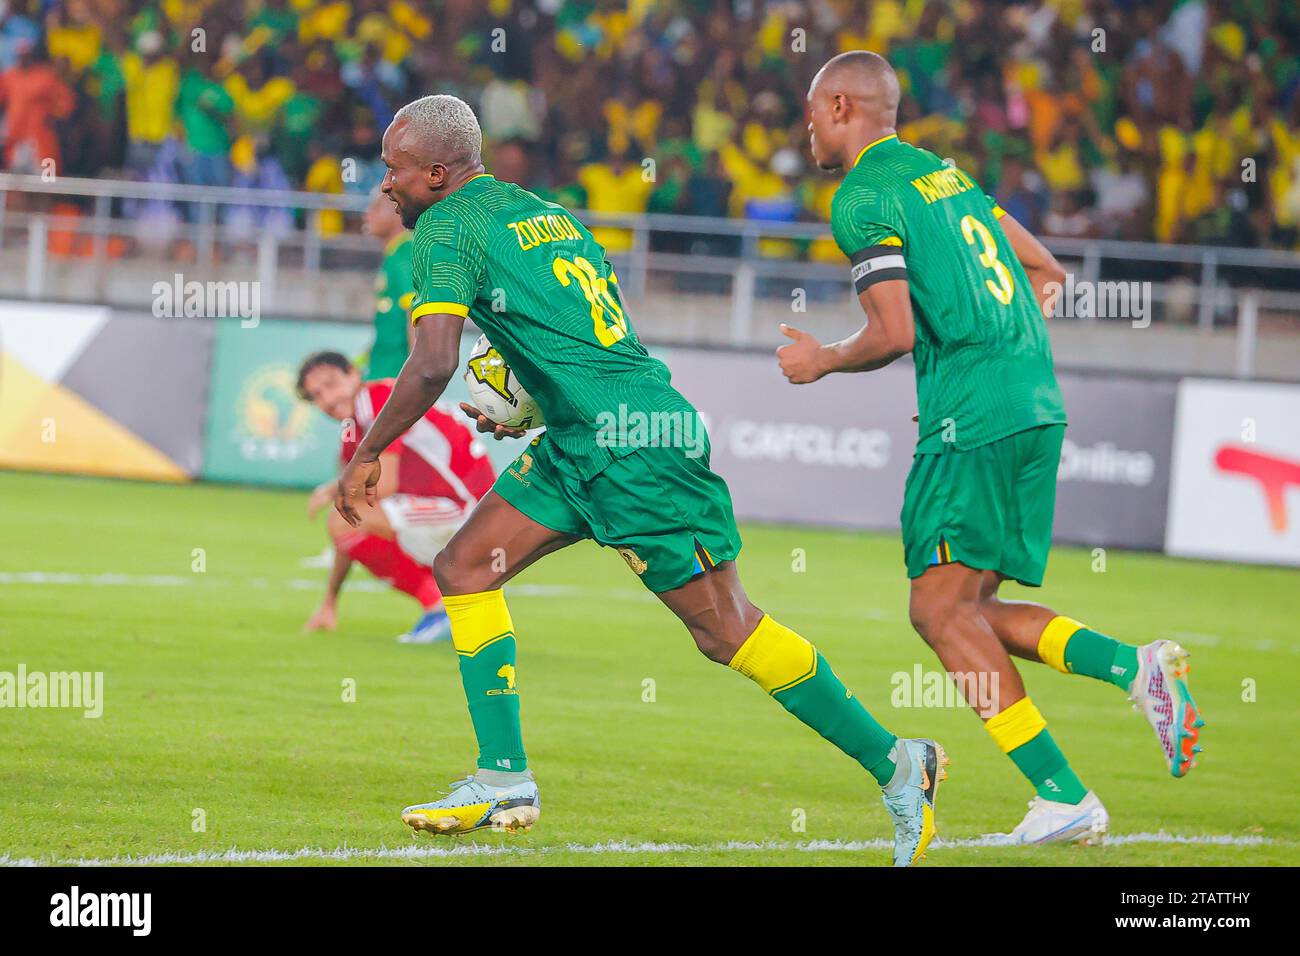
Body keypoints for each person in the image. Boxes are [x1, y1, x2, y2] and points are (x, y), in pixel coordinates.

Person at [334, 94, 947, 867]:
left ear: (434, 171)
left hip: (633, 449)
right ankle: (503, 778)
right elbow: (582, 329)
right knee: (462, 566)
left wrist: (366, 452)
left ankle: (899, 763)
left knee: (726, 630)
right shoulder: (545, 214)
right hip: (582, 437)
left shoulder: (448, 227)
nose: (383, 185)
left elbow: (430, 362)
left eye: (392, 171)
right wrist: (531, 401)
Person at [777, 51, 1204, 845]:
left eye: (810, 111)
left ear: (840, 105)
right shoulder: (950, 179)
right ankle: (1130, 671)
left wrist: (824, 359)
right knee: (967, 609)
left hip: (973, 417)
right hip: (1034, 404)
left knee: (937, 611)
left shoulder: (863, 194)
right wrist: (993, 358)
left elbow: (893, 332)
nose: (806, 128)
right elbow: (1047, 272)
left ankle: (1065, 795)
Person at [299, 351, 494, 643]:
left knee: (347, 518)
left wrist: (335, 490)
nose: (327, 398)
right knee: (348, 522)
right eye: (316, 395)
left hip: (468, 508)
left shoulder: (378, 397)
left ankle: (439, 607)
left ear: (354, 374)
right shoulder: (353, 431)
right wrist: (330, 601)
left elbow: (383, 486)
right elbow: (351, 519)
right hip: (444, 511)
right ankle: (451, 605)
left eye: (331, 383)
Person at [361, 189, 415, 379]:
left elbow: (416, 316)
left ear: (397, 211)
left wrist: (415, 378)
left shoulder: (405, 253)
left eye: (376, 208)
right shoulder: (393, 256)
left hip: (393, 378)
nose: (367, 215)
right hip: (381, 373)